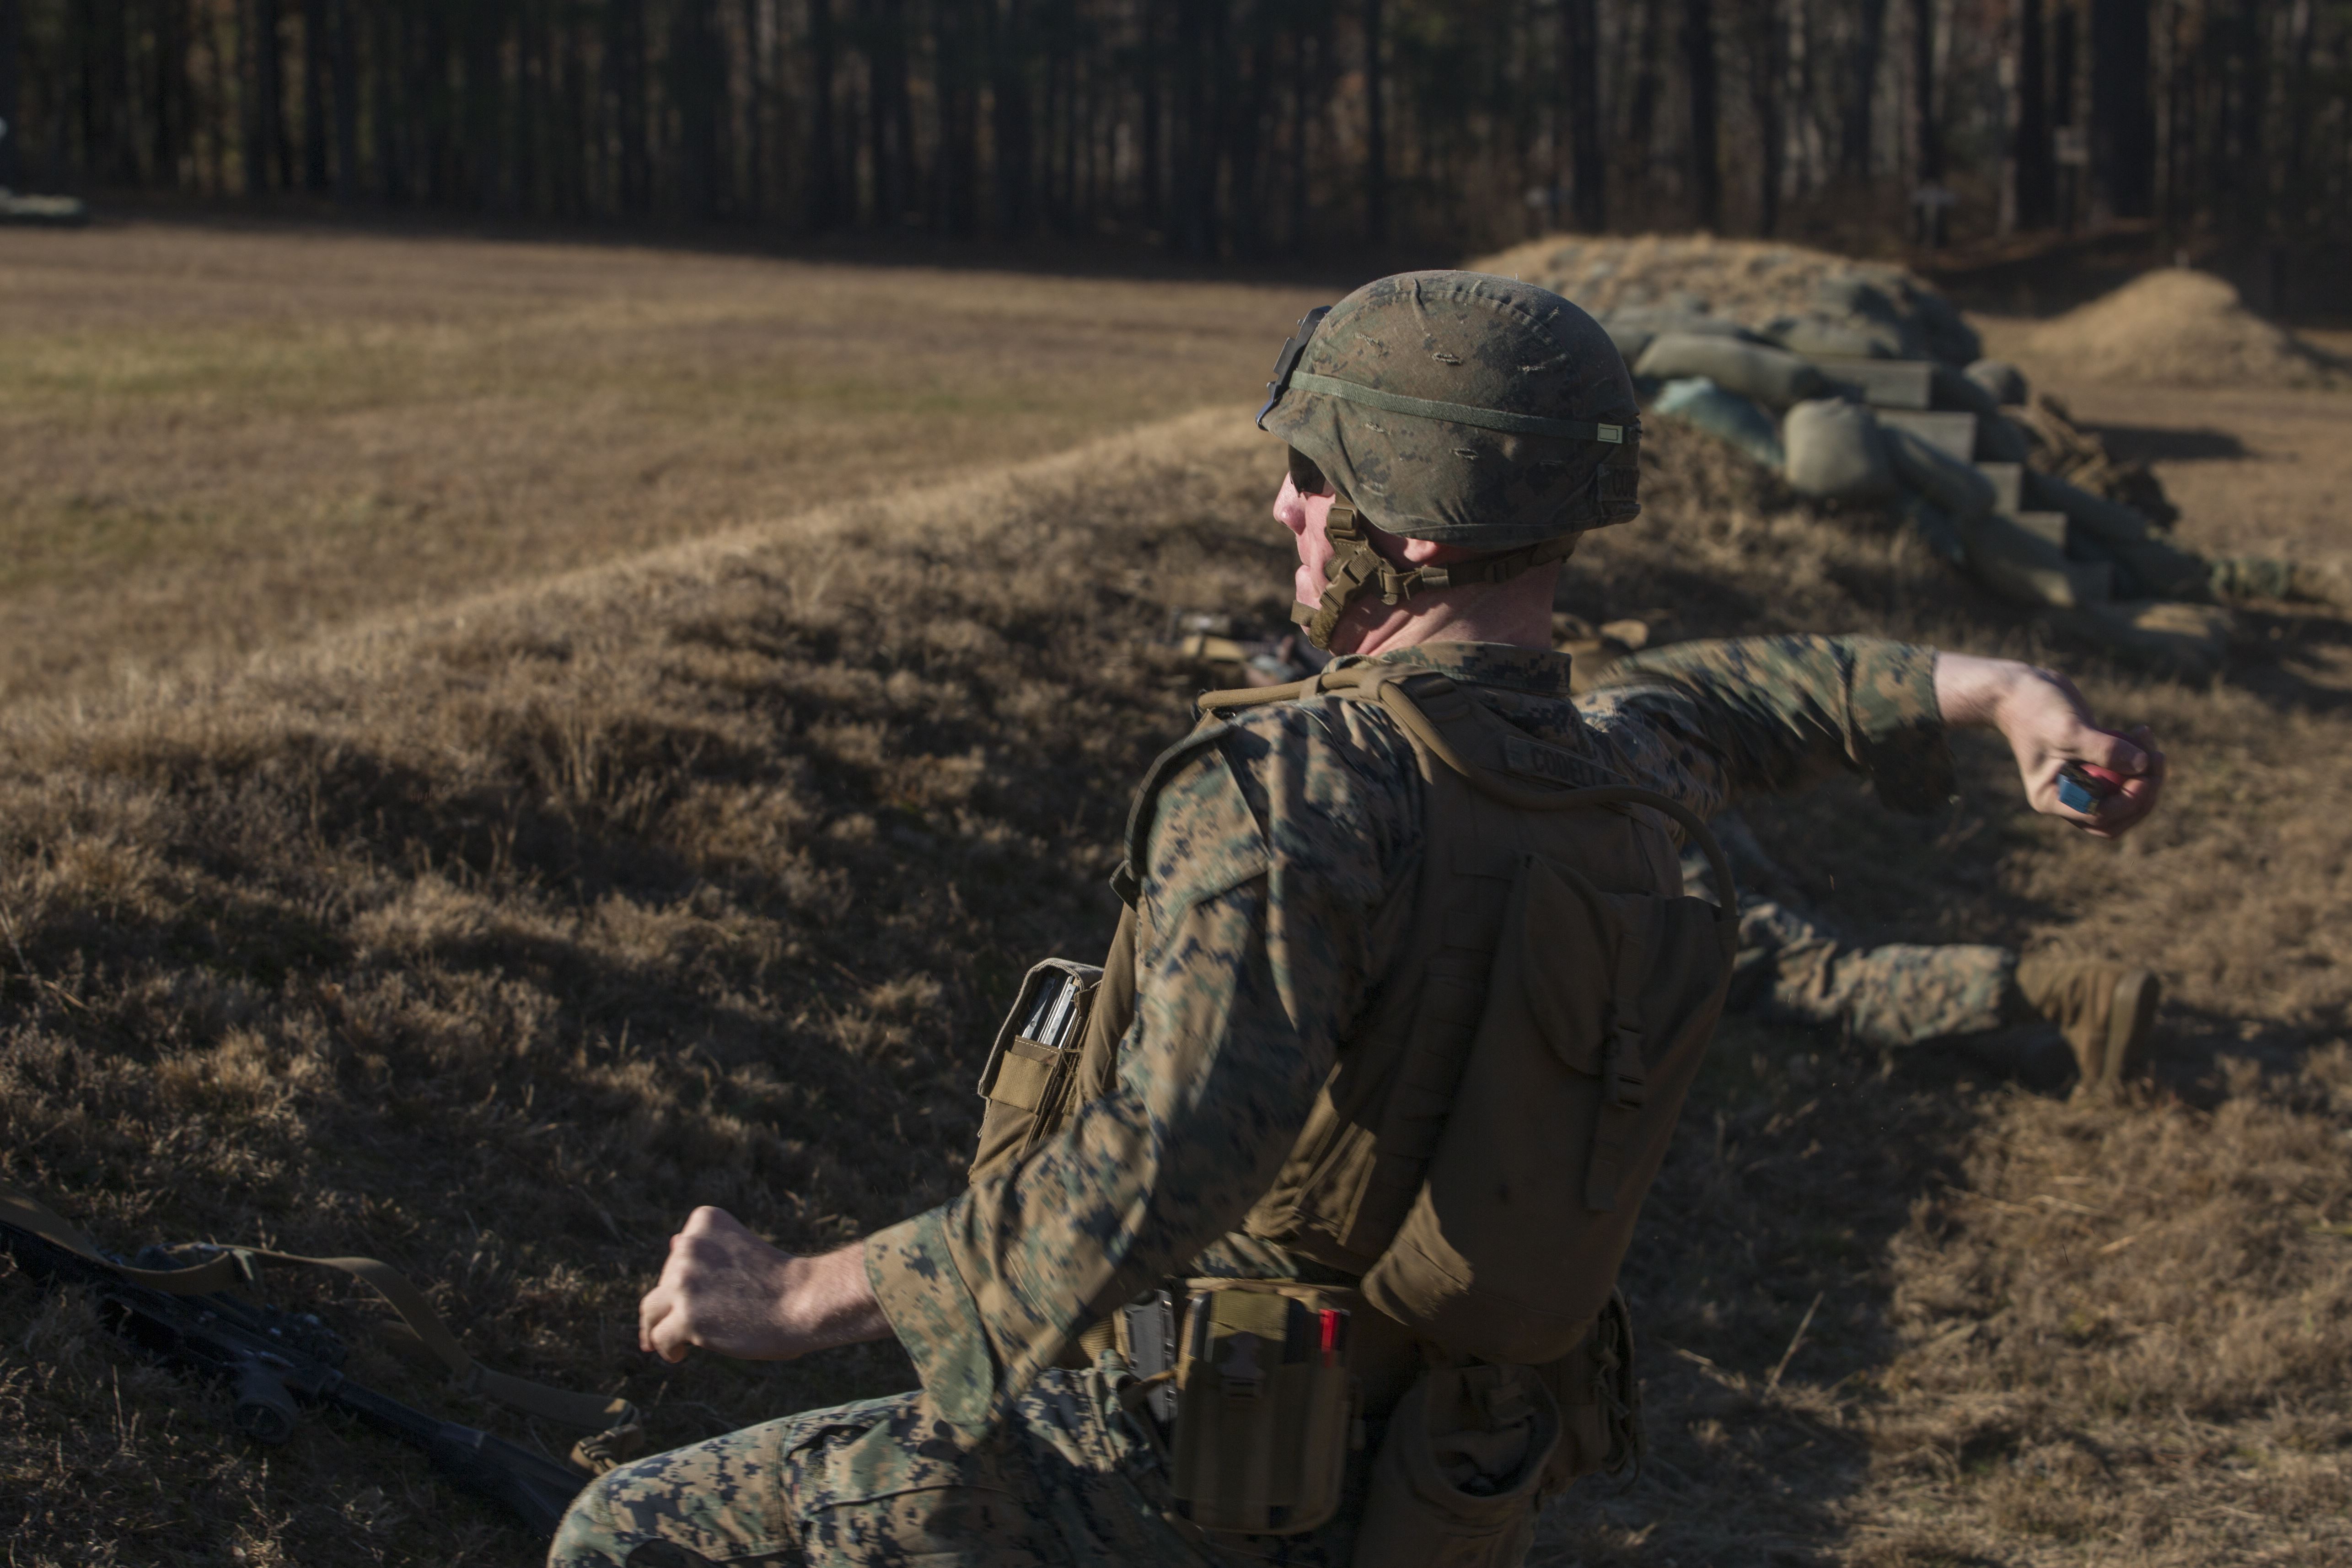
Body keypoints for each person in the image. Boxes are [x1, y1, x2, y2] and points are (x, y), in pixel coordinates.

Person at [549, 272, 2164, 1568]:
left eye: (1314, 476)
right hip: (1442, 1482)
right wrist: (2002, 691)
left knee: (626, 1530)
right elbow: (1776, 689)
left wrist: (805, 1290)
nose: (1281, 509)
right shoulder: (1625, 758)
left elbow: (1172, 1163)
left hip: (1190, 1472)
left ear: (1421, 517)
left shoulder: (1294, 789)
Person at [1670, 807, 2157, 1093]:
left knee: (1826, 980)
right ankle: (2025, 1038)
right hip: (1711, 858)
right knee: (1828, 966)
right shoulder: (1630, 712)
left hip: (1676, 892)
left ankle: (2070, 994)